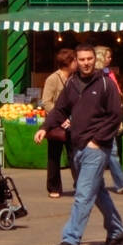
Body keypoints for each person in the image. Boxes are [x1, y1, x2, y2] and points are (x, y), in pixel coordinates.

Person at [34, 44, 123, 245]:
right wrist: (45, 127)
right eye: (82, 59)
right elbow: (60, 109)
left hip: (96, 148)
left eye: (89, 59)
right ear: (76, 61)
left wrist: (97, 140)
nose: (86, 63)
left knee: (83, 194)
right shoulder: (72, 83)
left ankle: (71, 239)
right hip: (75, 146)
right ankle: (117, 230)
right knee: (97, 192)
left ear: (95, 60)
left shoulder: (105, 84)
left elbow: (115, 116)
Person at [95, 46, 123, 194]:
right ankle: (116, 183)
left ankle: (120, 183)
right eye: (107, 56)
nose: (110, 59)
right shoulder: (98, 76)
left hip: (109, 117)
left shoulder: (109, 73)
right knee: (106, 152)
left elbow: (115, 91)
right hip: (102, 118)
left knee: (110, 152)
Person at [41, 48, 78, 198]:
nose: (77, 63)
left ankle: (81, 185)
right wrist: (61, 117)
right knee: (54, 156)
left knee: (75, 155)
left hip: (73, 121)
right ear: (68, 62)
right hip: (56, 122)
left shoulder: (76, 78)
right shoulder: (53, 79)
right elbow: (46, 102)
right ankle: (54, 187)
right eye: (75, 60)